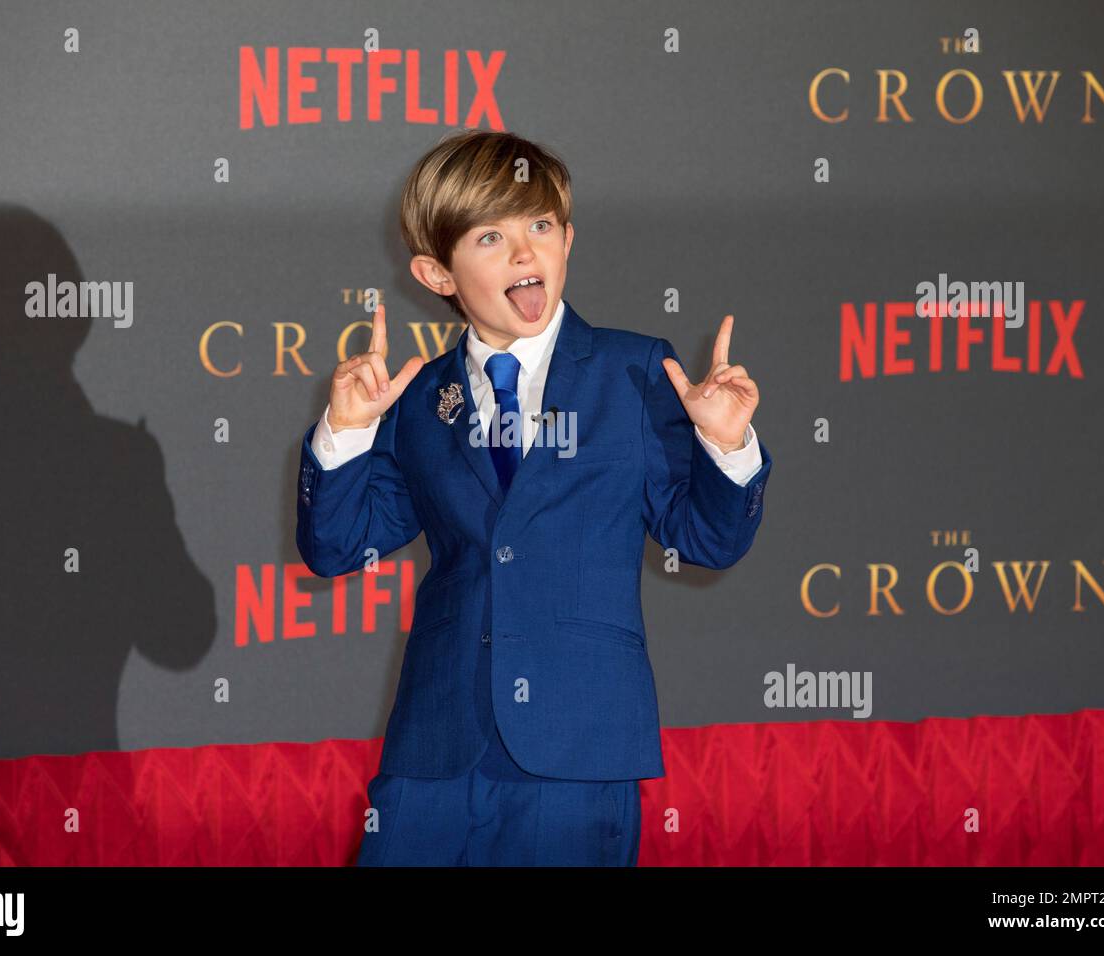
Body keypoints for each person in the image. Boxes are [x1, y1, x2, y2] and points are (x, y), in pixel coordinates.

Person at [296, 129, 771, 866]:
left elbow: (706, 539)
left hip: (578, 750)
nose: (525, 254)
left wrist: (727, 448)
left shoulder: (636, 371)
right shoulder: (421, 397)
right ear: (436, 272)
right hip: (434, 750)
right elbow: (333, 547)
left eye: (540, 226)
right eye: (491, 237)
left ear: (568, 238)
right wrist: (345, 432)